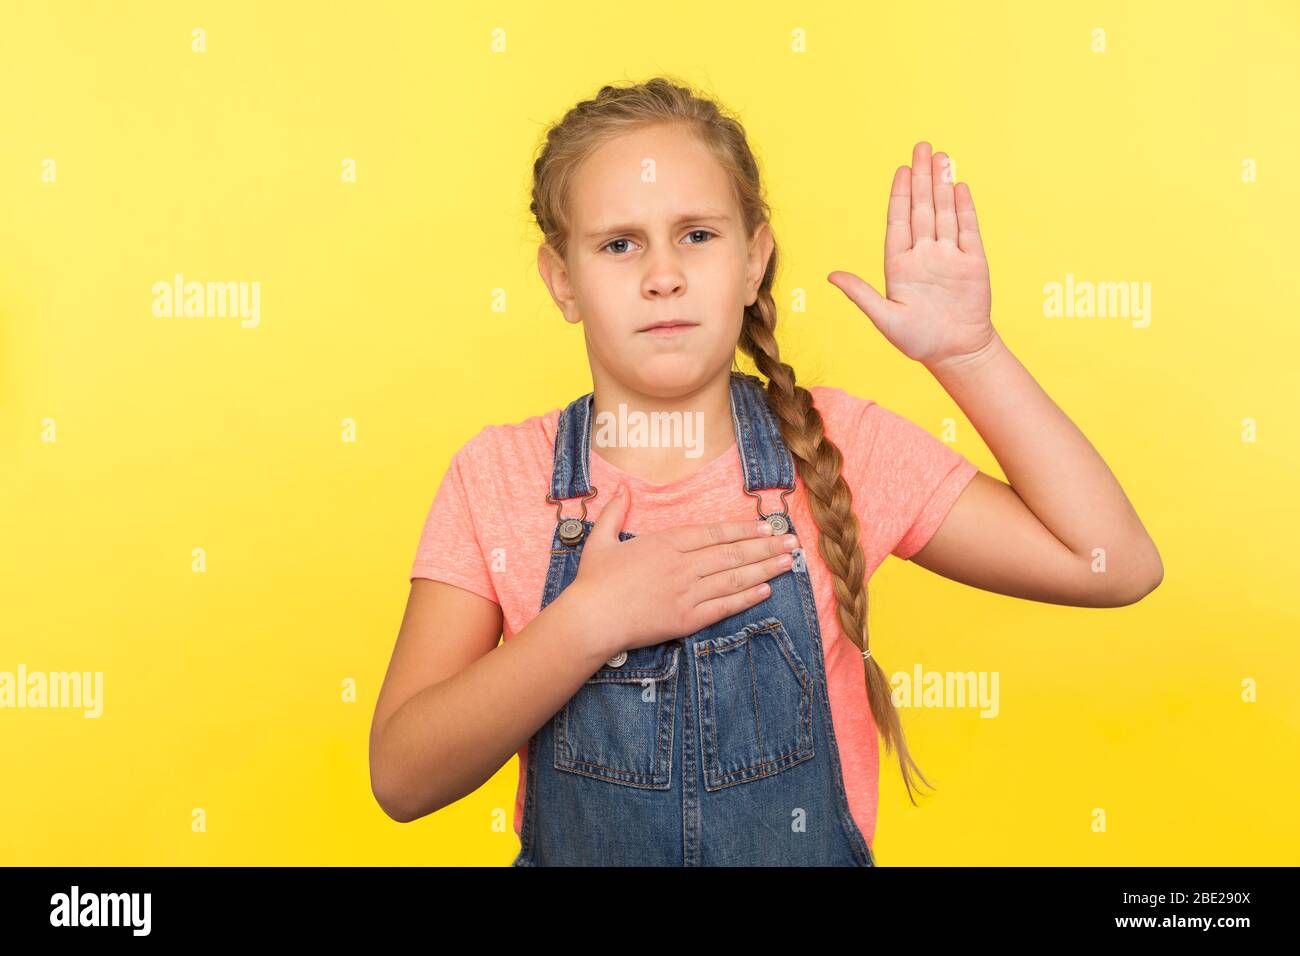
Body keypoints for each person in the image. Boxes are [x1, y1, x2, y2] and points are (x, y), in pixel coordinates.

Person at [369, 77, 1163, 866]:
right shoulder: (497, 476)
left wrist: (969, 353)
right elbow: (402, 779)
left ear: (755, 262)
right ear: (561, 280)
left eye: (698, 236)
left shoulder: (840, 444)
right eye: (619, 243)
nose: (663, 275)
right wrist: (587, 623)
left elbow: (1113, 565)